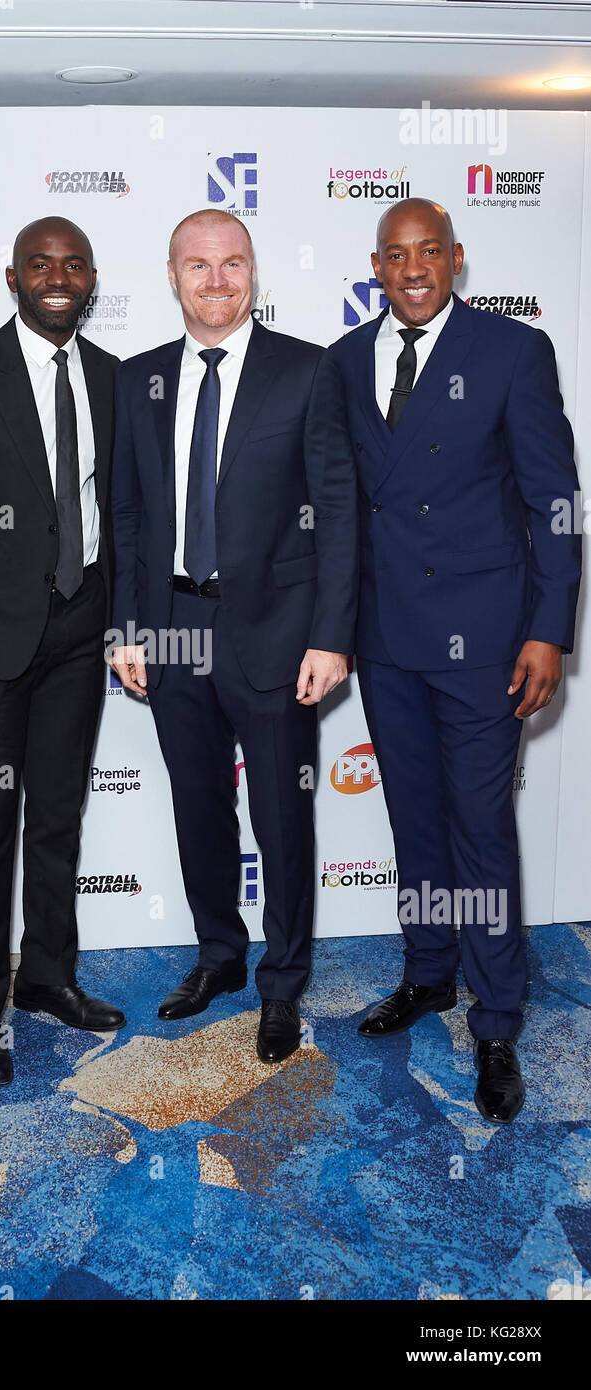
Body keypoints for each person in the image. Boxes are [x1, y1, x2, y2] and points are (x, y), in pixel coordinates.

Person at [327, 197, 581, 1123]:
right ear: (375, 265)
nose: (412, 267)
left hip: (485, 642)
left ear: (456, 258)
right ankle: (428, 973)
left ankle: (498, 1019)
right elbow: (346, 502)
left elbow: (555, 499)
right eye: (395, 254)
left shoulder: (512, 352)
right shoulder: (348, 359)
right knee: (416, 824)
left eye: (428, 250)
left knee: (479, 831)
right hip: (387, 638)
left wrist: (549, 628)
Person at [110, 208, 358, 1063]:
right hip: (173, 627)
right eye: (197, 265)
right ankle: (219, 955)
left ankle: (281, 982)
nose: (215, 280)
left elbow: (337, 508)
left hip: (280, 633)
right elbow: (130, 515)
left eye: (232, 264)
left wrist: (331, 636)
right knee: (197, 806)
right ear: (171, 274)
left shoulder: (308, 370)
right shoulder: (138, 379)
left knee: (281, 817)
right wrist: (127, 628)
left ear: (253, 272)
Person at [0, 217, 124, 1088]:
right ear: (12, 276)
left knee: (57, 819)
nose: (57, 276)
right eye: (40, 263)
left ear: (90, 278)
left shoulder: (113, 380)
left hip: (81, 632)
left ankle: (46, 975)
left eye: (73, 263)